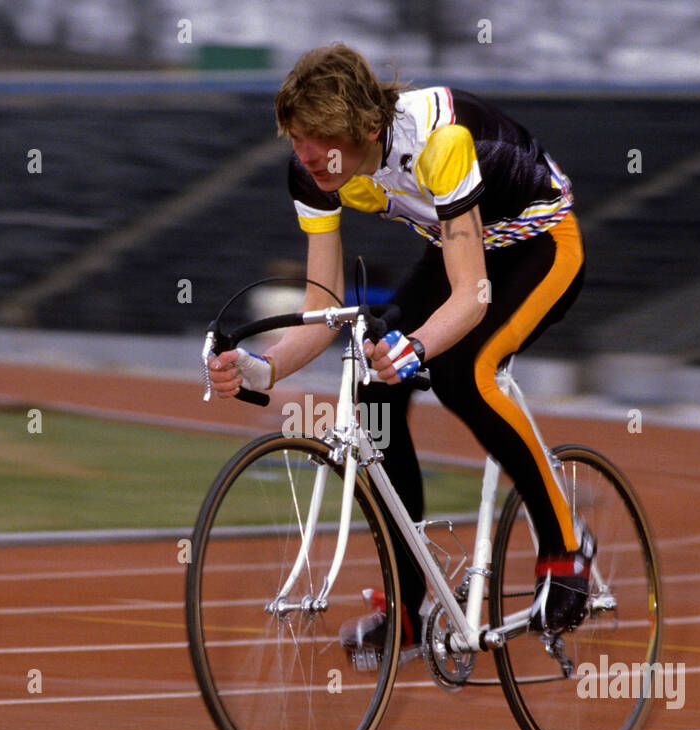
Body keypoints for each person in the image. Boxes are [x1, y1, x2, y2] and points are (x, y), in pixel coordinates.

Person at [207, 43, 593, 667]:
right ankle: (409, 609)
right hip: (462, 244)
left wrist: (415, 348)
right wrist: (260, 368)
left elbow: (472, 295)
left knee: (462, 375)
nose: (304, 155)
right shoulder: (315, 171)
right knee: (371, 391)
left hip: (540, 243)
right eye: (296, 139)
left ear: (366, 128)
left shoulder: (441, 145)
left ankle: (566, 551)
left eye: (317, 138)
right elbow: (321, 305)